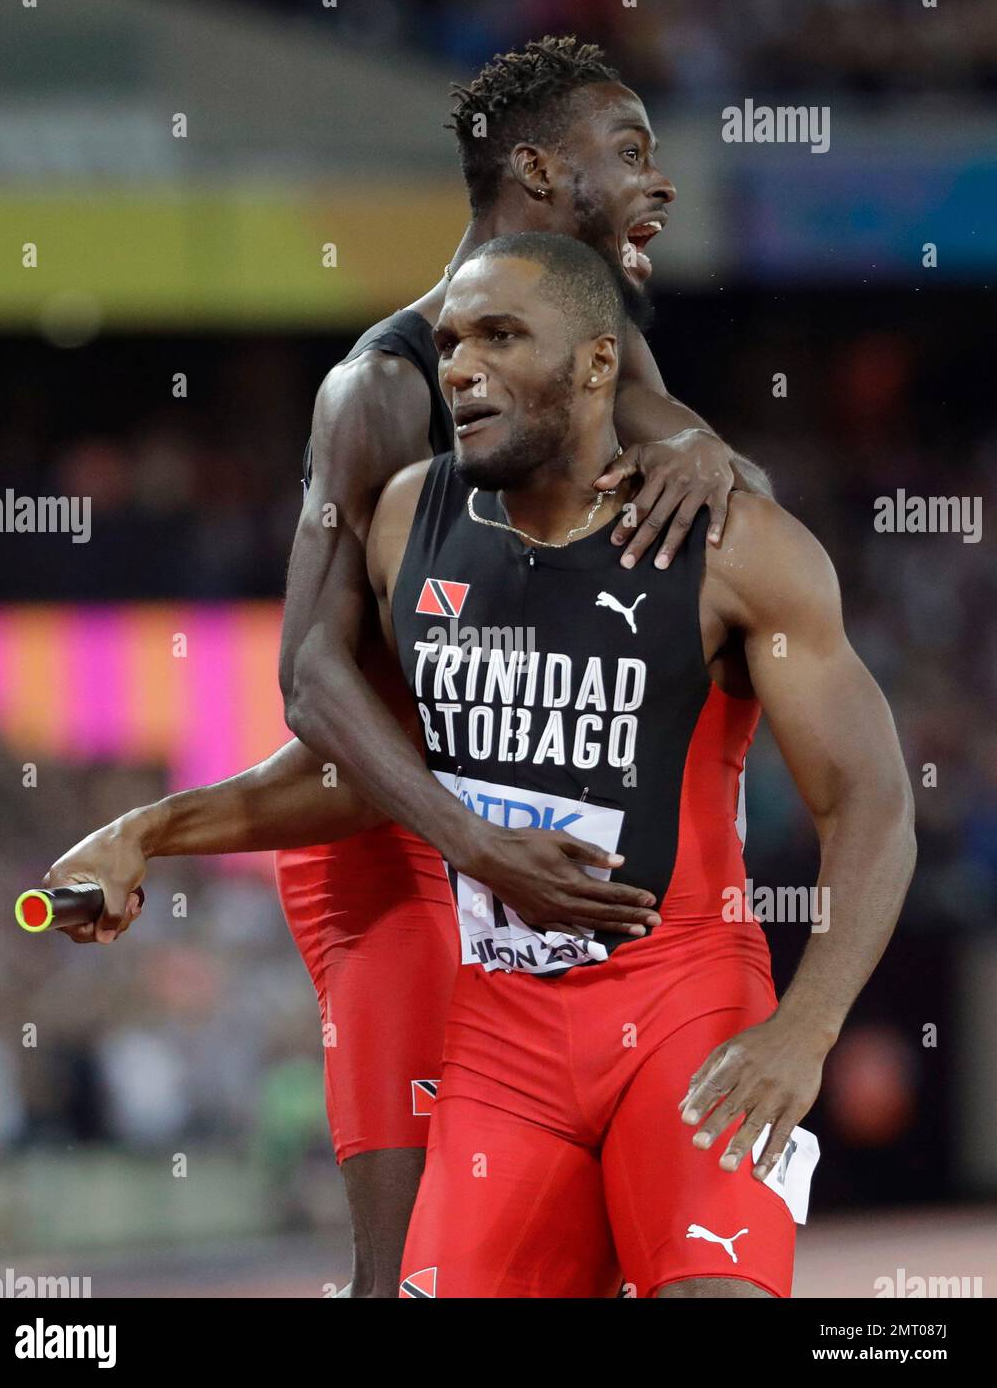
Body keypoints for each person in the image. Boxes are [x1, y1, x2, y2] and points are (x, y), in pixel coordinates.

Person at [45, 37, 772, 1298]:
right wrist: (474, 844)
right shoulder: (379, 392)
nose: (660, 186)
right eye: (632, 154)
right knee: (414, 1259)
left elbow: (740, 516)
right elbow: (315, 689)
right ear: (542, 173)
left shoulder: (605, 349)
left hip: (509, 818)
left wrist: (714, 458)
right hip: (392, 849)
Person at [356, 231, 916, 1297]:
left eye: (500, 335)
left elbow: (872, 800)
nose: (460, 366)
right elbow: (350, 758)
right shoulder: (403, 524)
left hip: (688, 1009)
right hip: (500, 1036)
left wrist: (806, 1028)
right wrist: (154, 827)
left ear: (599, 362)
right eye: (450, 342)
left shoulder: (738, 548)